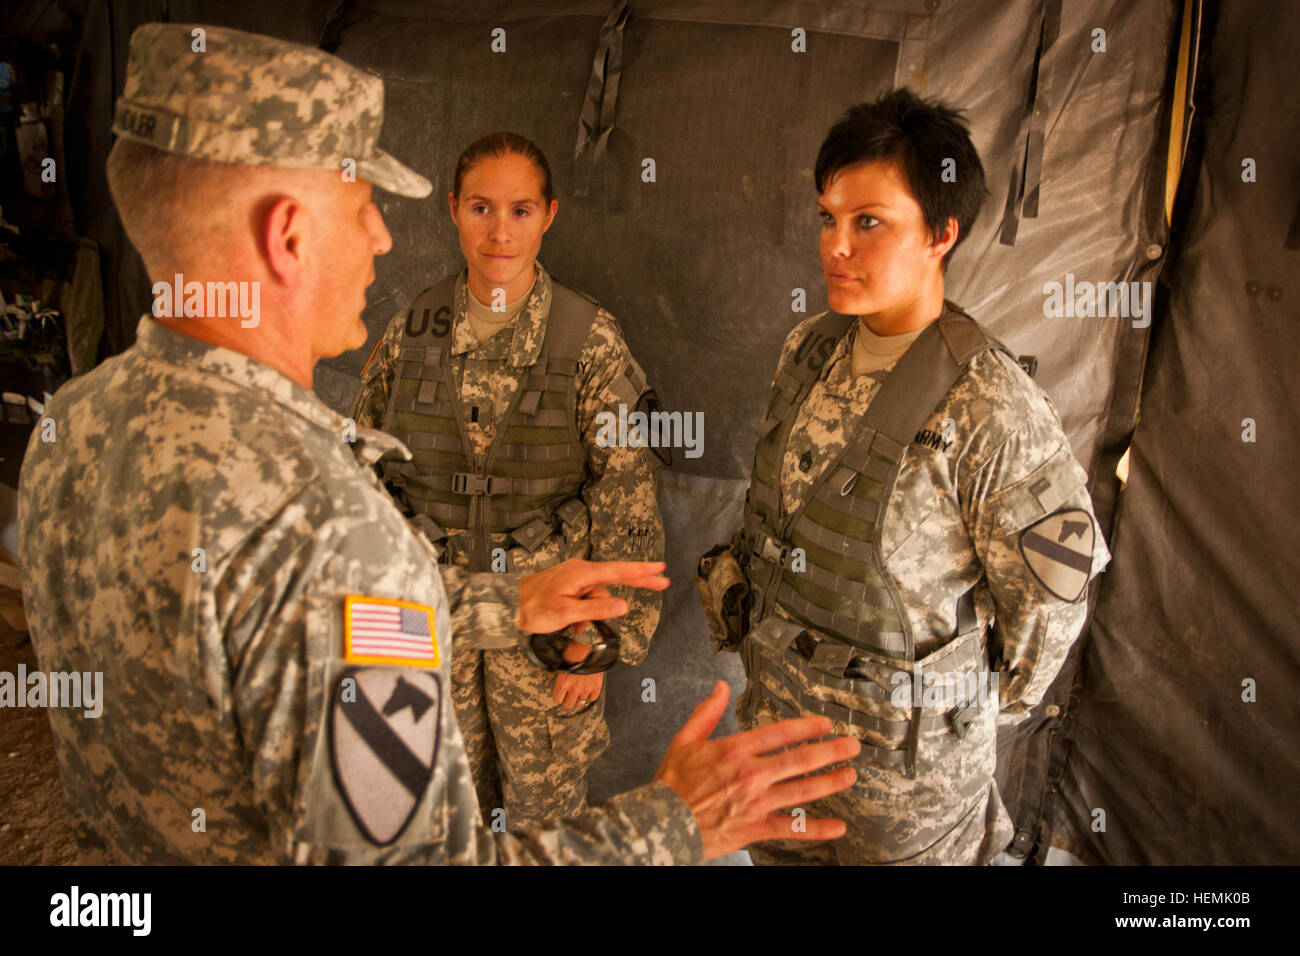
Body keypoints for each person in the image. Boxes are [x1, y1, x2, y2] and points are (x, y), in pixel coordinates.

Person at [16, 22, 861, 865]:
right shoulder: (335, 529)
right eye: (362, 207)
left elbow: (296, 622)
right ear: (287, 235)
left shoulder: (70, 429)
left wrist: (505, 605)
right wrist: (680, 824)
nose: (384, 236)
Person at [698, 88, 1111, 865]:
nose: (836, 247)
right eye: (829, 217)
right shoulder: (809, 351)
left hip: (902, 810)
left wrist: (946, 722)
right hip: (781, 759)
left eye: (870, 223)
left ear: (941, 233)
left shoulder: (989, 405)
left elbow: (1052, 609)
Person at [352, 133, 664, 829]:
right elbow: (363, 483)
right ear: (453, 212)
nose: (499, 231)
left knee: (544, 824)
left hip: (551, 632)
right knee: (436, 813)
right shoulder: (410, 332)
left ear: (549, 215)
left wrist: (601, 639)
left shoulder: (588, 339)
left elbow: (627, 499)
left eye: (520, 211)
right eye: (481, 208)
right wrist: (381, 624)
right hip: (436, 623)